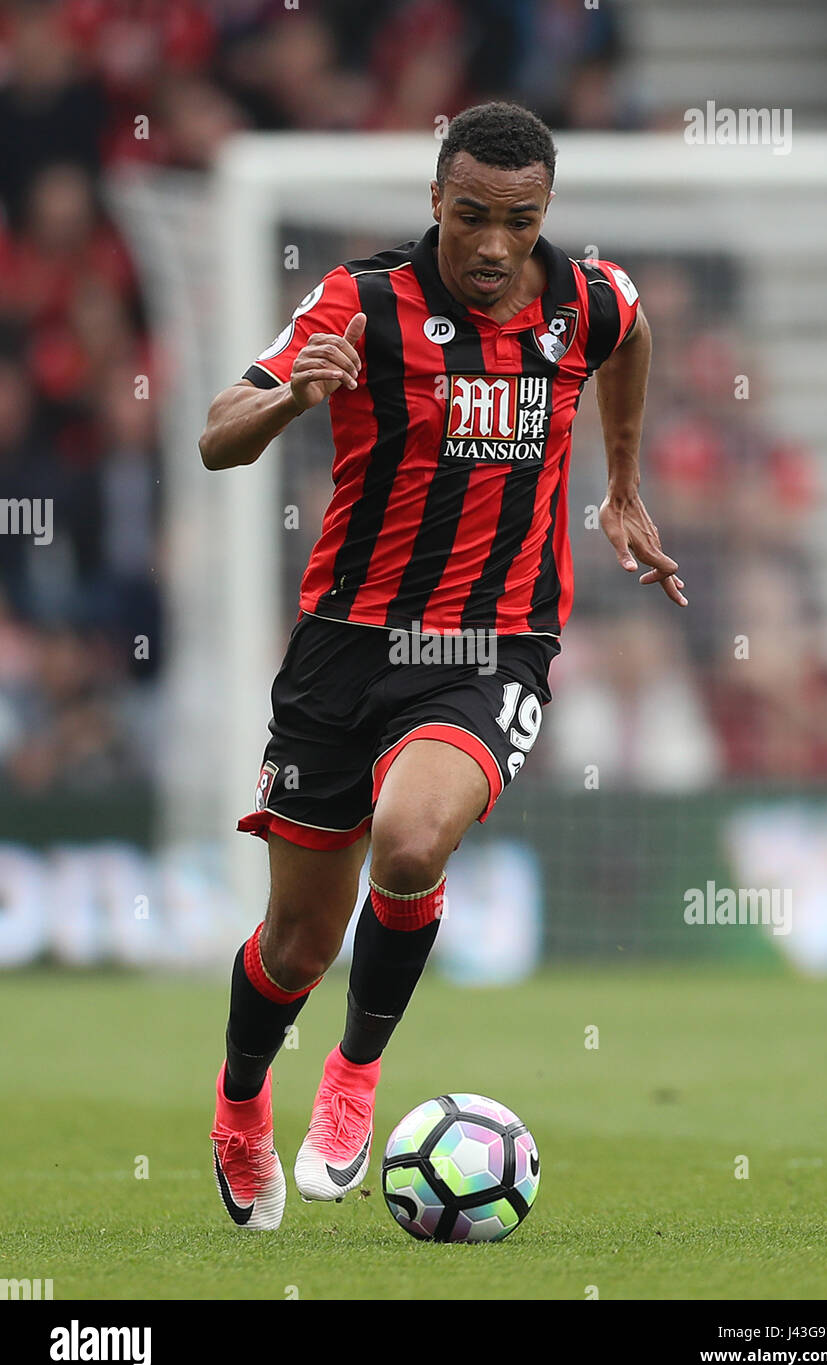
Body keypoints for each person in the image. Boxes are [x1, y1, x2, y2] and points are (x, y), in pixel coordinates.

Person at [199, 101, 686, 1229]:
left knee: (412, 841)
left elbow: (635, 330)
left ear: (543, 214)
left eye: (518, 221)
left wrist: (620, 480)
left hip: (492, 646)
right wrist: (288, 399)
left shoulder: (585, 301)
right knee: (296, 943)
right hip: (342, 648)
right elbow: (217, 434)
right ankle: (238, 1104)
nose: (493, 245)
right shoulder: (359, 304)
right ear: (435, 203)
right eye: (470, 215)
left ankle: (354, 1079)